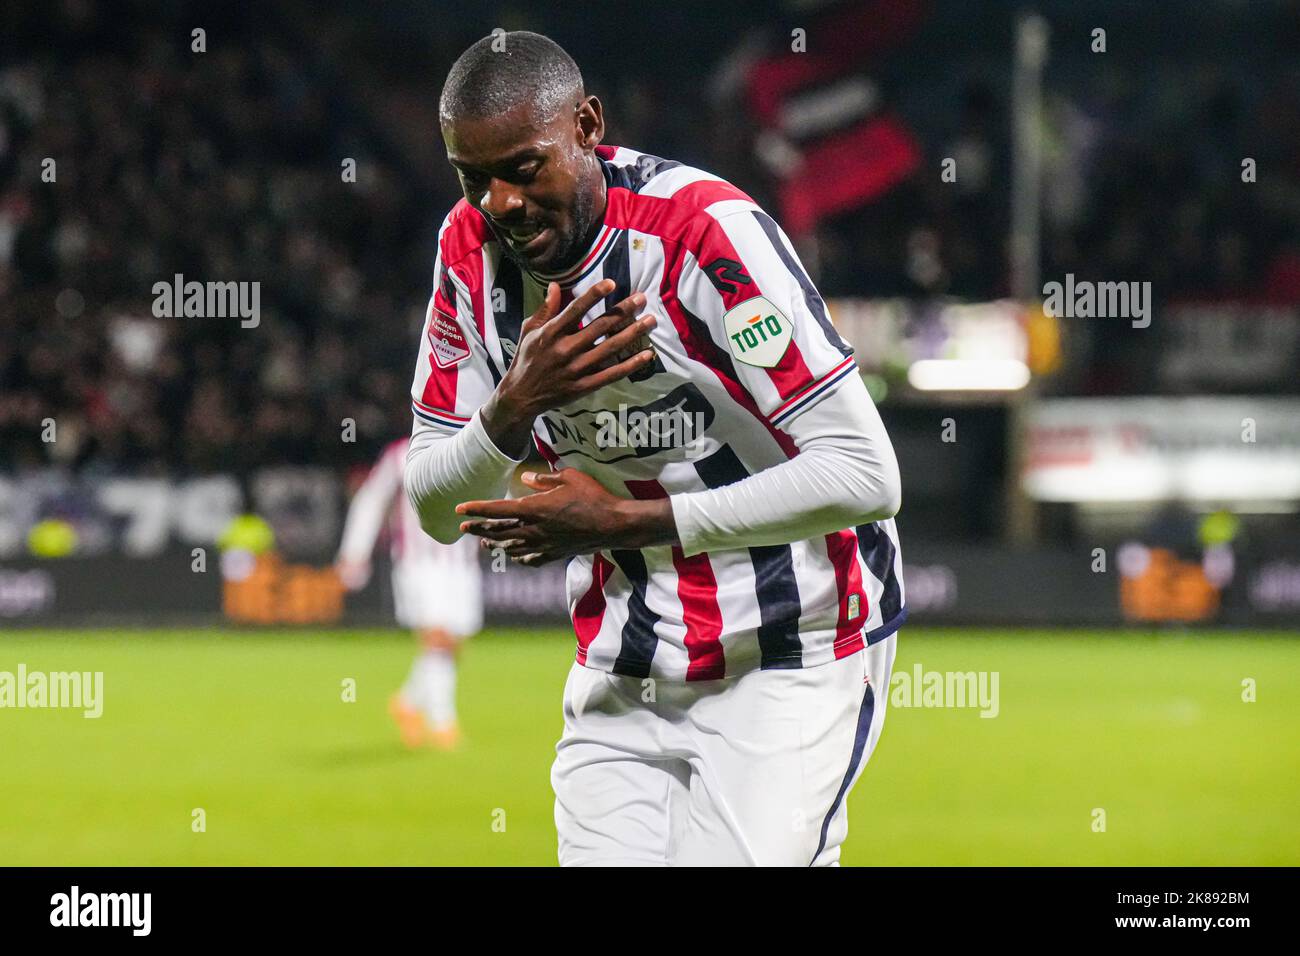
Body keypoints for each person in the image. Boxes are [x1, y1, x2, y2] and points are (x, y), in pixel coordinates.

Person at [405, 31, 905, 865]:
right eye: (472, 179)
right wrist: (511, 409)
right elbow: (432, 509)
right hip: (624, 657)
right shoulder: (467, 253)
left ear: (587, 125)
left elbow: (865, 474)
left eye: (525, 169)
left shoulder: (705, 233)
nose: (501, 204)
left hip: (791, 645)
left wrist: (626, 523)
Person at [338, 437, 482, 749]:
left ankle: (407, 702)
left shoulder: (473, 443)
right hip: (418, 563)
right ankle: (443, 723)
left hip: (461, 561)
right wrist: (355, 552)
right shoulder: (400, 455)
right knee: (437, 637)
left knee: (454, 643)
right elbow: (371, 500)